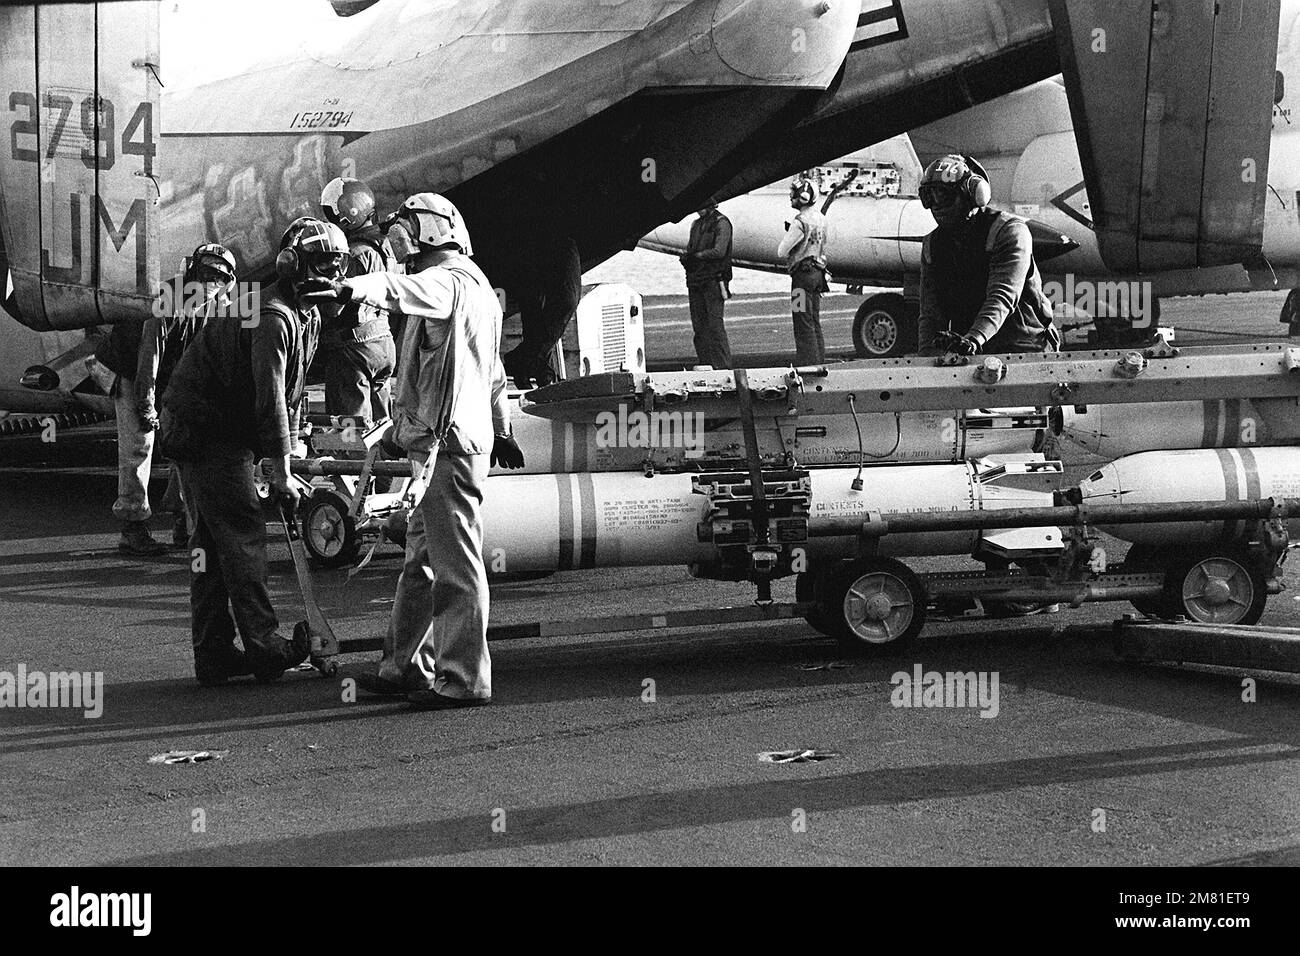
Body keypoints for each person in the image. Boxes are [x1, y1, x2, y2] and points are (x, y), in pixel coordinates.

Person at [302, 193, 525, 710]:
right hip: (446, 447)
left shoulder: (449, 282)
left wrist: (347, 286)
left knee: (455, 569)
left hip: (450, 449)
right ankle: (406, 667)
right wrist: (503, 427)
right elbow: (494, 373)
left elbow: (398, 289)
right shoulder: (479, 290)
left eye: (404, 225)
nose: (395, 233)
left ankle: (464, 680)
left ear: (428, 231)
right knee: (423, 563)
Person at [158, 218, 346, 686]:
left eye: (336, 266)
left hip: (217, 427)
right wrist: (281, 470)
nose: (331, 276)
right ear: (293, 265)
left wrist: (288, 454)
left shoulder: (305, 313)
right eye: (322, 265)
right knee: (241, 533)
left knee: (211, 547)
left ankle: (214, 653)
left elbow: (292, 390)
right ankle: (264, 647)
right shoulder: (273, 315)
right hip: (203, 430)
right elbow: (269, 396)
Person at [136, 243, 239, 546]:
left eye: (219, 279)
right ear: (192, 272)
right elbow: (148, 357)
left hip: (170, 378)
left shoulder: (218, 307)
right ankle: (132, 527)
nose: (211, 284)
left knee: (185, 445)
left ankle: (180, 517)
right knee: (138, 450)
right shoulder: (166, 299)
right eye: (207, 275)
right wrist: (146, 406)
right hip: (131, 372)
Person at [916, 154, 1059, 356]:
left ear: (973, 193)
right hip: (968, 347)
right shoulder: (932, 244)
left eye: (943, 194)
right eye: (928, 196)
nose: (936, 205)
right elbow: (930, 313)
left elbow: (1002, 297)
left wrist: (973, 339)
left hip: (1024, 345)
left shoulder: (1008, 232)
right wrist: (926, 360)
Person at [318, 177, 399, 423]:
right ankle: (387, 462)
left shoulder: (352, 255)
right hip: (384, 344)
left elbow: (333, 308)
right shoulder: (388, 247)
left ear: (348, 214)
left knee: (350, 430)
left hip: (353, 351)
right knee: (382, 425)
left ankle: (353, 461)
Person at [499, 233, 581, 389]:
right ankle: (537, 367)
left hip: (556, 231)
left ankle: (527, 362)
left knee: (561, 302)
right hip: (529, 234)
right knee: (535, 307)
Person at [776, 177, 830, 365]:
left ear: (804, 197)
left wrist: (790, 233)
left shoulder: (800, 222)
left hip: (801, 278)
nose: (791, 197)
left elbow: (781, 251)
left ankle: (808, 364)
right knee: (813, 321)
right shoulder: (821, 219)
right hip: (817, 275)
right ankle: (819, 361)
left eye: (794, 194)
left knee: (801, 322)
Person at [680, 201, 734, 369]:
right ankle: (706, 365)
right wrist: (689, 259)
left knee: (714, 326)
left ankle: (722, 367)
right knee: (700, 328)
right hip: (696, 280)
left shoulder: (722, 223)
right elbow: (692, 250)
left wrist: (696, 256)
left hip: (713, 280)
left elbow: (719, 251)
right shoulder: (697, 224)